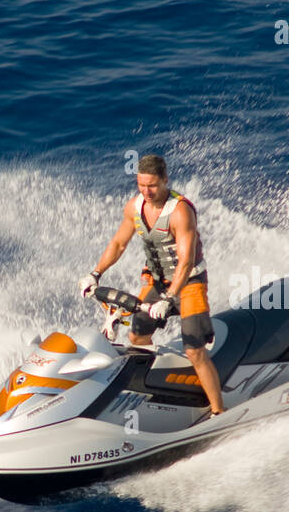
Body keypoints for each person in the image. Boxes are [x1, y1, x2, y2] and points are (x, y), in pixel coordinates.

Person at [80, 155, 225, 414]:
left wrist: (169, 299)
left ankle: (218, 411)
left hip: (188, 283)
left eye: (153, 186)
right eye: (141, 185)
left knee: (194, 351)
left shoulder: (180, 211)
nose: (147, 191)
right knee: (136, 336)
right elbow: (118, 244)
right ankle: (157, 391)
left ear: (165, 180)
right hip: (157, 283)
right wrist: (95, 273)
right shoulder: (134, 208)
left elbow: (185, 262)